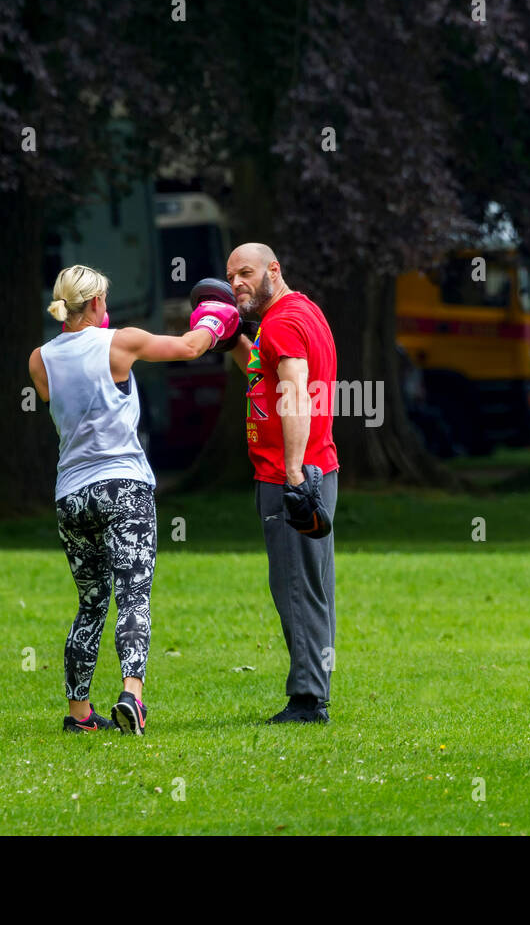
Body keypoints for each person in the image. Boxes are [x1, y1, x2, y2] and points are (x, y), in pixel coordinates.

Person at [28, 264, 238, 734]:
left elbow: (54, 396)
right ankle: (132, 697)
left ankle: (80, 715)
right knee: (133, 598)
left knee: (91, 604)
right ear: (98, 303)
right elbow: (189, 347)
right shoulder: (119, 342)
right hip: (124, 485)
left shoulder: (39, 359)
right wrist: (214, 315)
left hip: (71, 495)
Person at [224, 243, 339, 724]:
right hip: (316, 467)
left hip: (290, 473)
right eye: (231, 278)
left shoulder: (283, 323)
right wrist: (231, 340)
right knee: (311, 585)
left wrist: (293, 474)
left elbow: (293, 392)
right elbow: (265, 375)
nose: (237, 285)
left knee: (295, 585)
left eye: (246, 274)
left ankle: (308, 700)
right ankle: (315, 690)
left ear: (274, 270)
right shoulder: (301, 311)